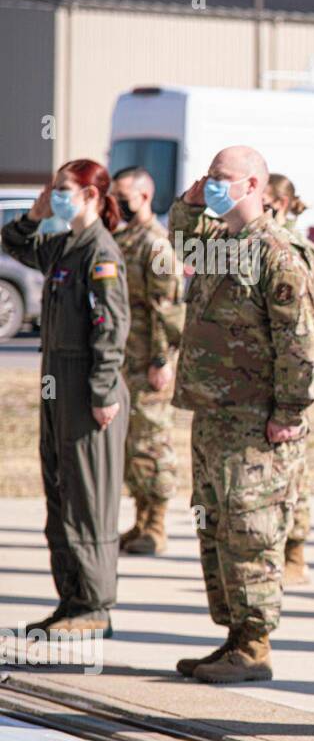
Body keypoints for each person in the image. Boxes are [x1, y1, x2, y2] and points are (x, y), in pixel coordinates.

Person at [169, 146, 314, 684]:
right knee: (213, 526)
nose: (212, 184)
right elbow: (180, 238)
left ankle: (254, 645)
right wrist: (192, 201)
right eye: (209, 176)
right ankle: (234, 636)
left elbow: (302, 342)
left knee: (251, 531)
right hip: (213, 413)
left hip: (256, 419)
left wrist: (289, 410)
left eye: (222, 178)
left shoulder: (278, 252)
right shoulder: (220, 243)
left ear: (255, 184)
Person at [3, 160, 128, 636]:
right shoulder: (64, 247)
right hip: (58, 382)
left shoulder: (100, 253)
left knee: (88, 497)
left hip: (88, 387)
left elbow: (112, 328)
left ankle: (94, 605)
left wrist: (101, 391)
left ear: (92, 196)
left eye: (64, 190)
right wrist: (34, 214)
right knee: (59, 490)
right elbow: (14, 243)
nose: (56, 196)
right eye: (54, 190)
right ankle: (71, 600)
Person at [109, 166, 184, 557]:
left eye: (123, 195)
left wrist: (160, 359)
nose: (117, 202)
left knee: (152, 442)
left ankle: (156, 525)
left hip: (147, 360)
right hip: (124, 359)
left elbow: (166, 309)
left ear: (144, 195)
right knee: (130, 442)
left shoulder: (156, 244)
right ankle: (139, 520)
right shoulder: (124, 238)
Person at [264, 173, 314, 586]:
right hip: (260, 373)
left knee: (293, 470)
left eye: (268, 201)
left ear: (283, 203)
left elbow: (303, 324)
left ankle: (295, 553)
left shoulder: (294, 249)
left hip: (289, 374)